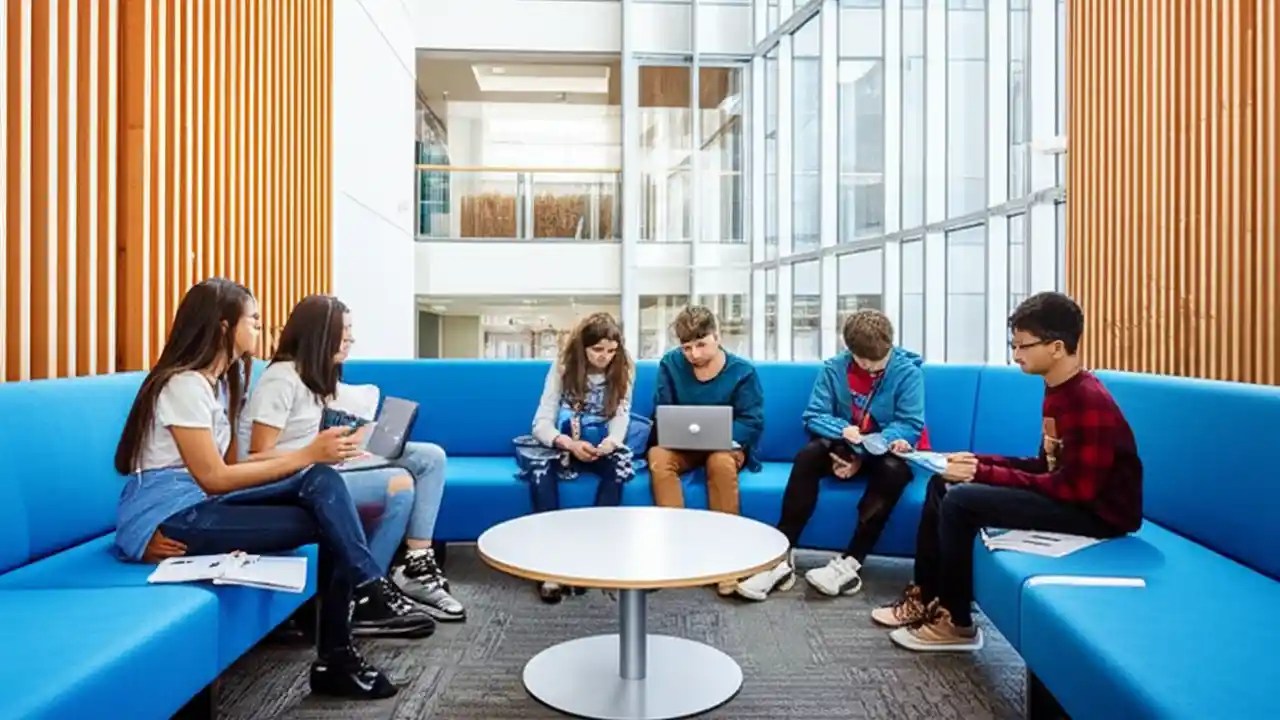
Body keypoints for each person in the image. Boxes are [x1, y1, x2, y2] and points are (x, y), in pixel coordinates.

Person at [113, 278, 433, 700]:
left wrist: (313, 460)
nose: (262, 328)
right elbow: (213, 476)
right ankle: (347, 637)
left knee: (324, 484)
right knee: (325, 506)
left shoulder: (222, 384)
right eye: (255, 320)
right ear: (225, 327)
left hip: (204, 502)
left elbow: (231, 469)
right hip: (174, 516)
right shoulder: (184, 385)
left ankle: (361, 604)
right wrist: (305, 455)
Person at [873, 291, 1143, 652]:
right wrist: (977, 461)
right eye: (1013, 345)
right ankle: (926, 597)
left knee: (961, 499)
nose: (1016, 355)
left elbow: (1075, 488)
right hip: (1072, 495)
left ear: (1057, 347)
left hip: (1097, 513)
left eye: (1023, 346)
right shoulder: (1057, 390)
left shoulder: (1087, 399)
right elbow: (1043, 466)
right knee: (942, 481)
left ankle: (958, 624)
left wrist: (981, 475)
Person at [242, 294, 465, 625]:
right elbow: (256, 456)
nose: (350, 339)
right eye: (343, 331)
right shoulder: (281, 378)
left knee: (430, 457)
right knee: (399, 486)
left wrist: (354, 439)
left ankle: (416, 563)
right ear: (320, 332)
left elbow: (312, 434)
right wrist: (313, 454)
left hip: (325, 465)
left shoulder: (316, 376)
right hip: (295, 477)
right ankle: (365, 591)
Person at [737, 309, 927, 601]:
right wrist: (844, 432)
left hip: (884, 451)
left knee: (894, 471)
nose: (873, 368)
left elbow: (910, 424)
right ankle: (781, 556)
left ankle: (851, 562)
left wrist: (865, 451)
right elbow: (814, 415)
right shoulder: (834, 369)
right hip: (845, 445)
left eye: (880, 361)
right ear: (851, 353)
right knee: (809, 455)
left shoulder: (908, 373)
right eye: (865, 362)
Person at [647, 305, 765, 595]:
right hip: (682, 445)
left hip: (726, 447)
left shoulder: (743, 372)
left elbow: (752, 420)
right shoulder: (671, 364)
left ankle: (727, 561)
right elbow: (663, 410)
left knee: (720, 463)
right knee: (659, 457)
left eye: (701, 344)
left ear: (717, 336)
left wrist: (724, 438)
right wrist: (675, 432)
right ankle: (676, 551)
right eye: (687, 347)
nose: (694, 354)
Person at [521, 312, 636, 603]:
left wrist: (611, 442)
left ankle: (593, 557)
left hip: (598, 442)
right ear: (583, 348)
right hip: (561, 440)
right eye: (597, 350)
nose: (605, 357)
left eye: (611, 351)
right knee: (539, 471)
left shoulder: (624, 369)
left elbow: (621, 416)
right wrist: (568, 444)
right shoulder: (562, 367)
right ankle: (549, 565)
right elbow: (541, 423)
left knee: (620, 467)